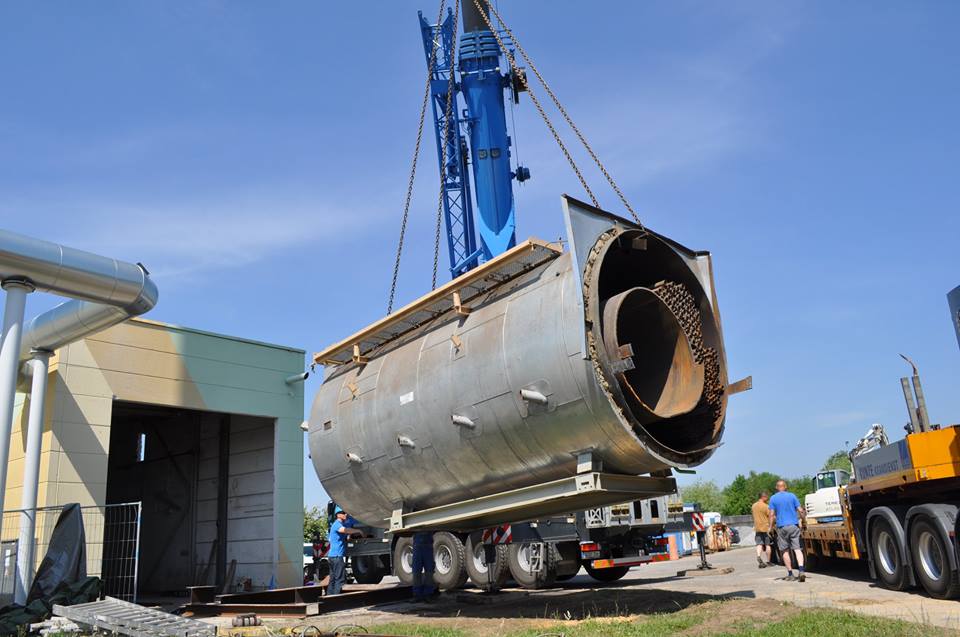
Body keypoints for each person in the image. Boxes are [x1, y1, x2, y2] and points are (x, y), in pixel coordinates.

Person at [767, 479, 806, 582]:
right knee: (797, 549)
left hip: (781, 527)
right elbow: (801, 510)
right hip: (794, 526)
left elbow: (771, 514)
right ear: (785, 487)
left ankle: (790, 574)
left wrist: (770, 527)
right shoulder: (792, 496)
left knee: (784, 551)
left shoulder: (773, 498)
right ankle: (801, 570)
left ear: (777, 487)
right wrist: (804, 520)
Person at [327, 507, 362, 595]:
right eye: (343, 513)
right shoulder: (337, 525)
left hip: (332, 557)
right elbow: (346, 530)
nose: (346, 514)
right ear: (338, 515)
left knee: (333, 579)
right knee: (340, 579)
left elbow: (345, 534)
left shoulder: (337, 525)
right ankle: (336, 599)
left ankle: (329, 598)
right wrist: (358, 530)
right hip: (337, 557)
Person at [411, 531, 437, 602]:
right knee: (416, 572)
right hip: (417, 548)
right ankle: (417, 595)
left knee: (429, 572)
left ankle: (428, 594)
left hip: (427, 547)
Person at [752, 490, 772, 568]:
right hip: (765, 528)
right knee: (767, 545)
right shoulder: (766, 506)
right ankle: (769, 561)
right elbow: (770, 516)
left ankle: (758, 556)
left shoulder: (753, 506)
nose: (767, 498)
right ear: (763, 497)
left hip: (757, 528)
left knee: (759, 544)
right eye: (766, 497)